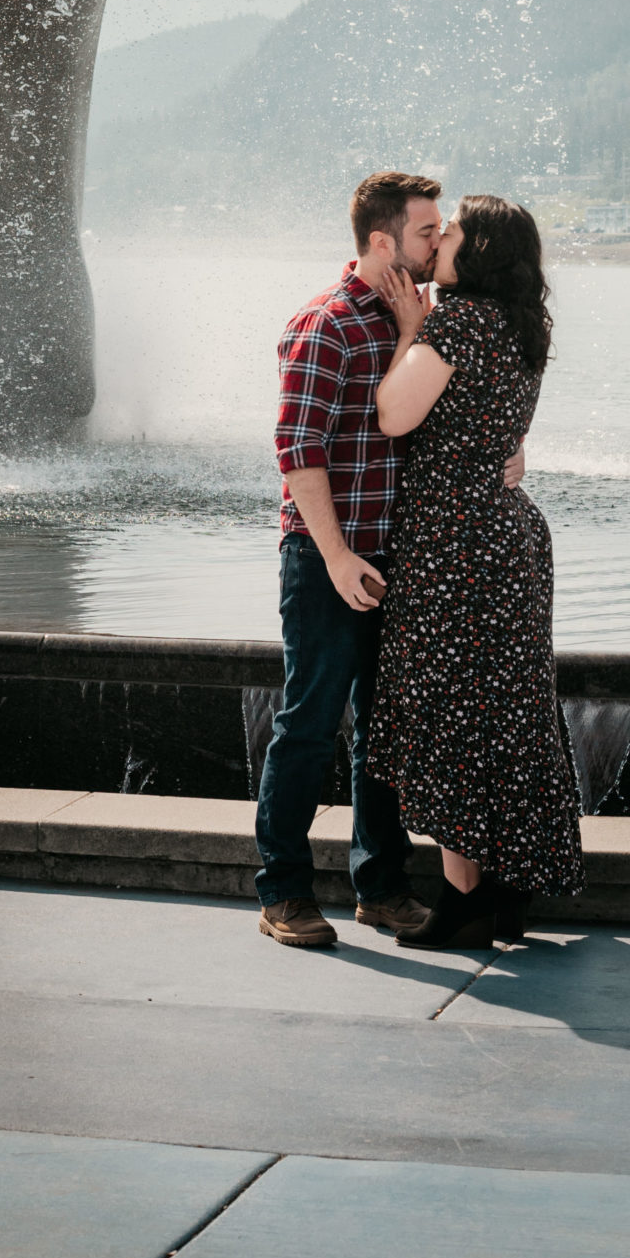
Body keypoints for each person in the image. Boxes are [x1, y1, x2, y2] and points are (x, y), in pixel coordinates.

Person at [368, 194, 585, 948]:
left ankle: (462, 902)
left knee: (447, 710)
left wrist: (408, 329)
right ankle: (506, 894)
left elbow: (394, 415)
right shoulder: (526, 326)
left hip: (452, 542)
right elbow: (500, 435)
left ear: (480, 248)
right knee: (507, 712)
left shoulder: (455, 321)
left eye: (451, 231)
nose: (442, 241)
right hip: (509, 538)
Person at [252, 170, 445, 948]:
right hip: (327, 557)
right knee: (307, 723)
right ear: (380, 240)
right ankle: (284, 895)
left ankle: (380, 886)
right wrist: (333, 556)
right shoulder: (325, 323)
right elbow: (297, 452)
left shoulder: (415, 318)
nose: (439, 242)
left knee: (382, 728)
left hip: (396, 556)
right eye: (427, 231)